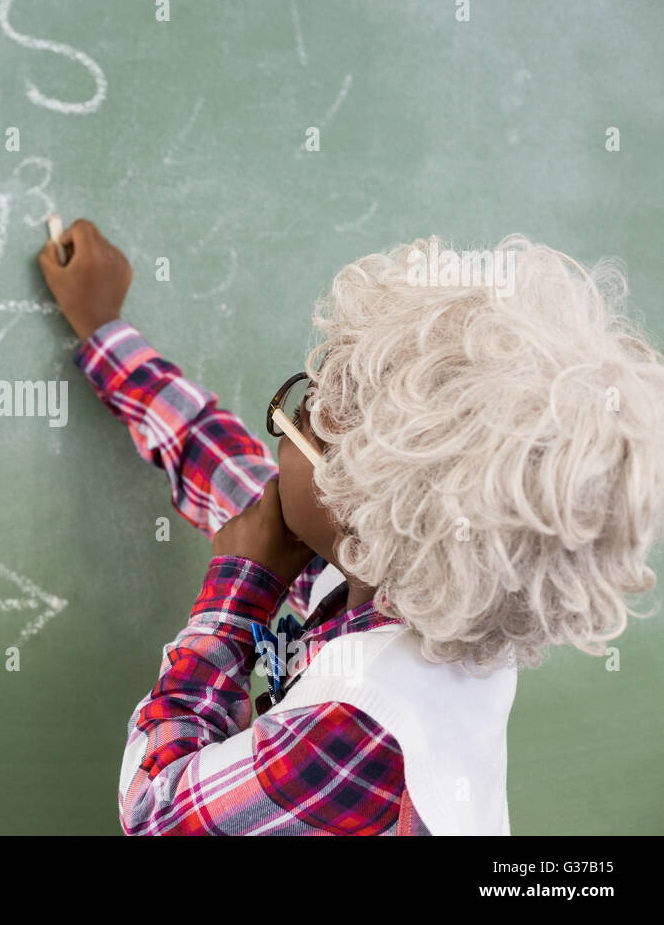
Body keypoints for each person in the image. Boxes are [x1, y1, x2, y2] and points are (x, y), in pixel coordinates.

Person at [38, 221, 664, 835]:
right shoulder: (428, 572)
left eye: (305, 418)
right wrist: (107, 334)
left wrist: (235, 597)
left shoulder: (361, 720)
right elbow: (239, 479)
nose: (281, 432)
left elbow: (156, 813)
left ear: (363, 504)